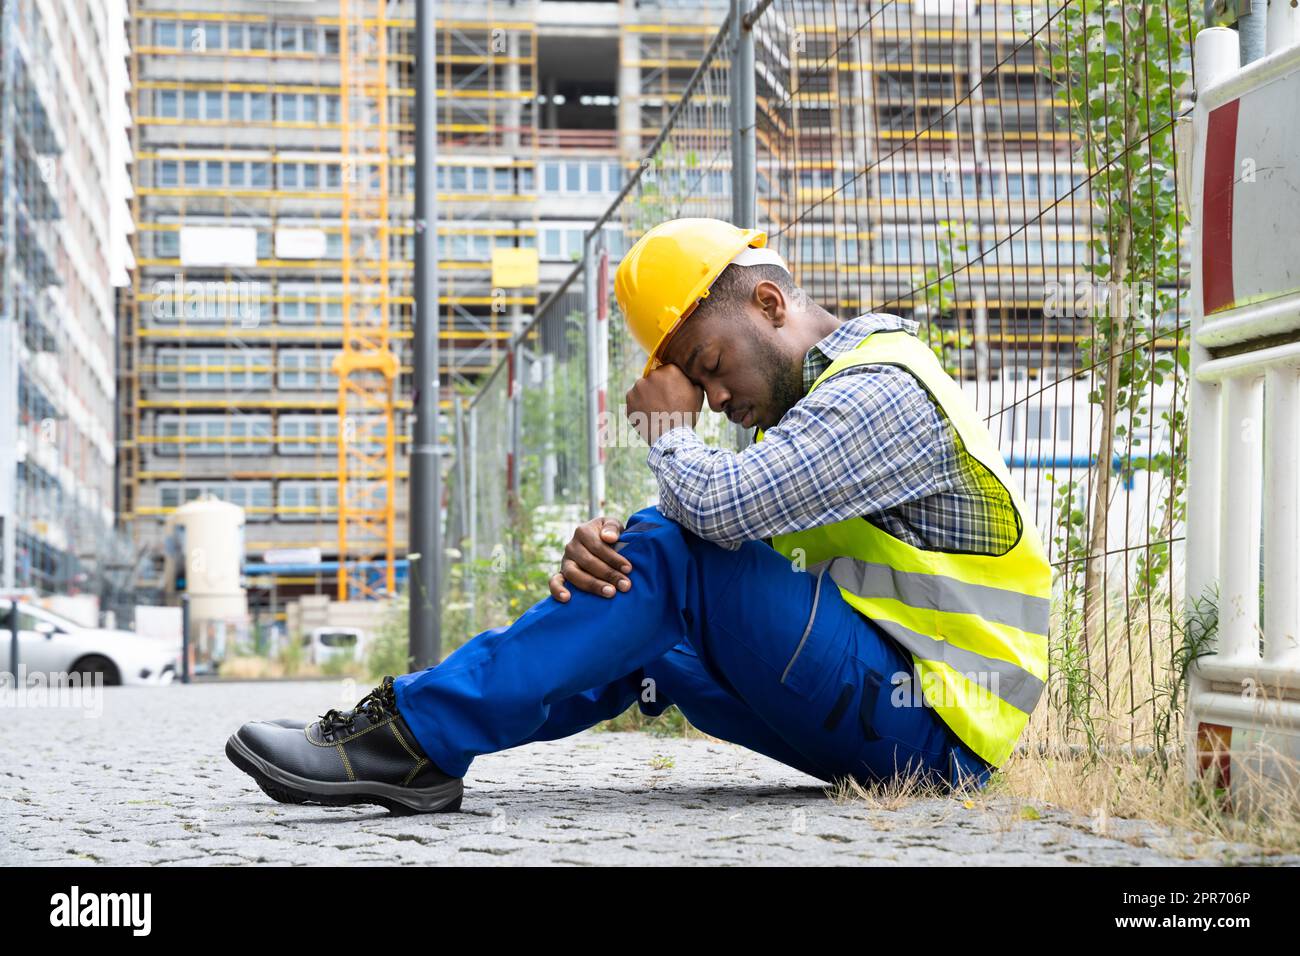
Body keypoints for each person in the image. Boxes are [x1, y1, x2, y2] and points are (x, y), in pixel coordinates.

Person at [225, 217, 1051, 815]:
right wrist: (609, 559)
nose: (717, 401)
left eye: (711, 366)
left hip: (936, 733)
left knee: (669, 553)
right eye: (698, 384)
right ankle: (422, 746)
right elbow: (720, 540)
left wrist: (663, 433)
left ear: (769, 302)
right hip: (884, 709)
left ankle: (411, 738)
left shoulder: (880, 390)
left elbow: (718, 515)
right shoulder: (817, 413)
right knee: (641, 586)